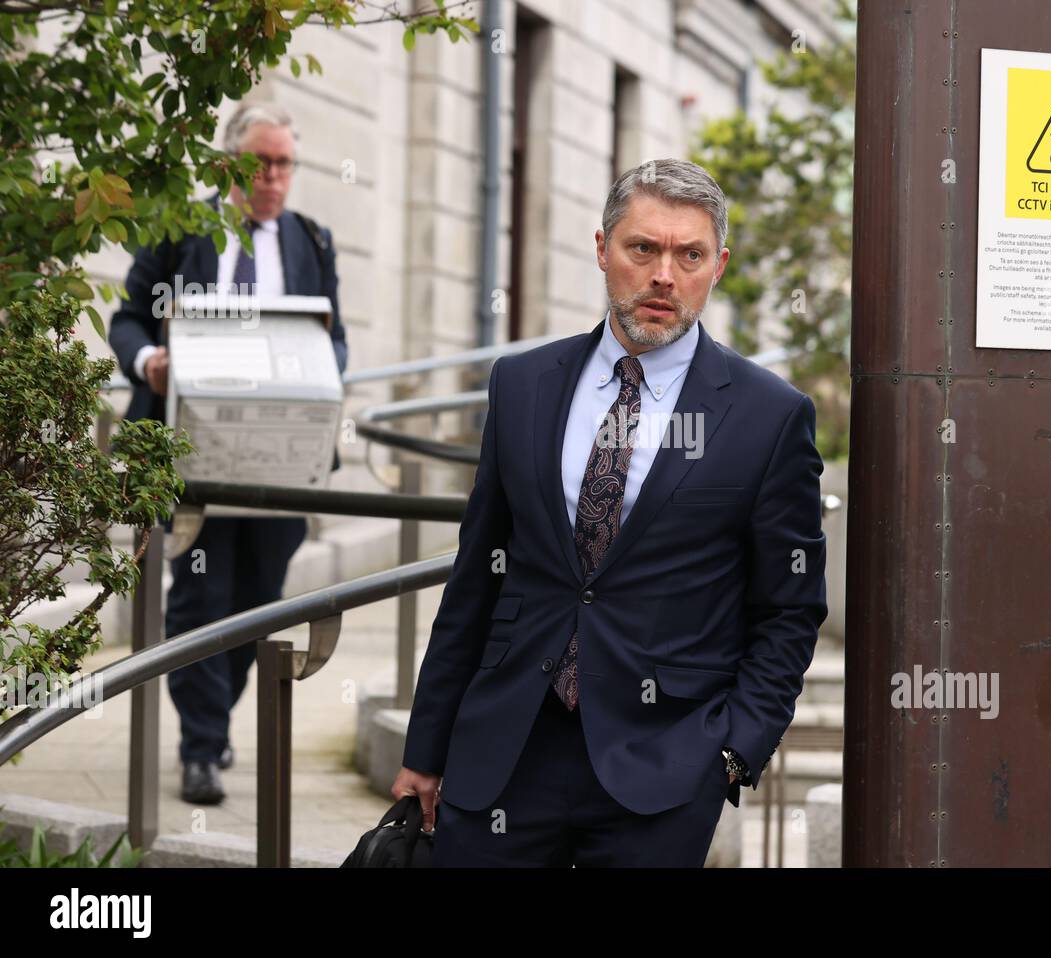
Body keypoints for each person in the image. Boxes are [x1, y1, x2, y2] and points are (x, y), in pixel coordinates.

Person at [391, 158, 827, 867]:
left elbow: (789, 609)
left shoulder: (769, 418)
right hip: (505, 749)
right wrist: (426, 746)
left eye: (689, 255)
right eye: (643, 249)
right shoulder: (523, 385)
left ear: (718, 265)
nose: (664, 275)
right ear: (602, 250)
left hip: (663, 772)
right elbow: (477, 577)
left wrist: (732, 754)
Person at [108, 102, 348, 805]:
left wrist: (325, 372)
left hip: (281, 461)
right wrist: (149, 357)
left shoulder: (314, 241)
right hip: (193, 455)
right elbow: (128, 315)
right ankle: (202, 747)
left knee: (259, 603)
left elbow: (334, 337)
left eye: (283, 164)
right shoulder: (183, 227)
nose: (273, 177)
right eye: (259, 163)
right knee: (200, 599)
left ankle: (211, 722)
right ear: (228, 164)